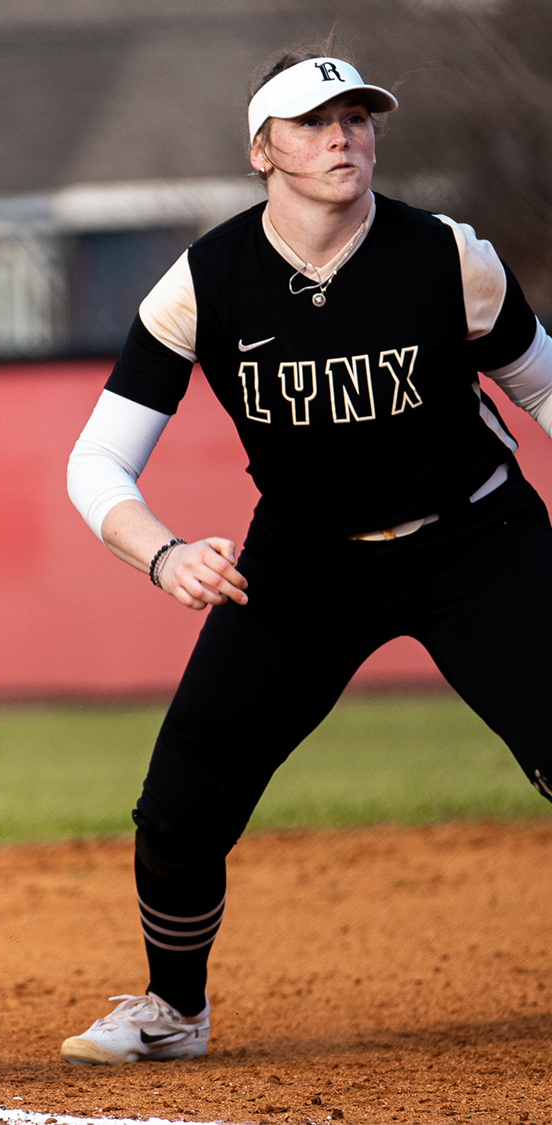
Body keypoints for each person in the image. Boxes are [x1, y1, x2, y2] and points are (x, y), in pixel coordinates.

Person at [59, 47, 552, 1065]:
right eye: (312, 121)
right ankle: (172, 1009)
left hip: (474, 540)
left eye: (357, 118)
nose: (341, 137)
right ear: (260, 150)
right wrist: (159, 555)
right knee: (179, 808)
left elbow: (541, 386)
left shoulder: (444, 255)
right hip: (301, 564)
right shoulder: (205, 278)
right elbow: (97, 459)